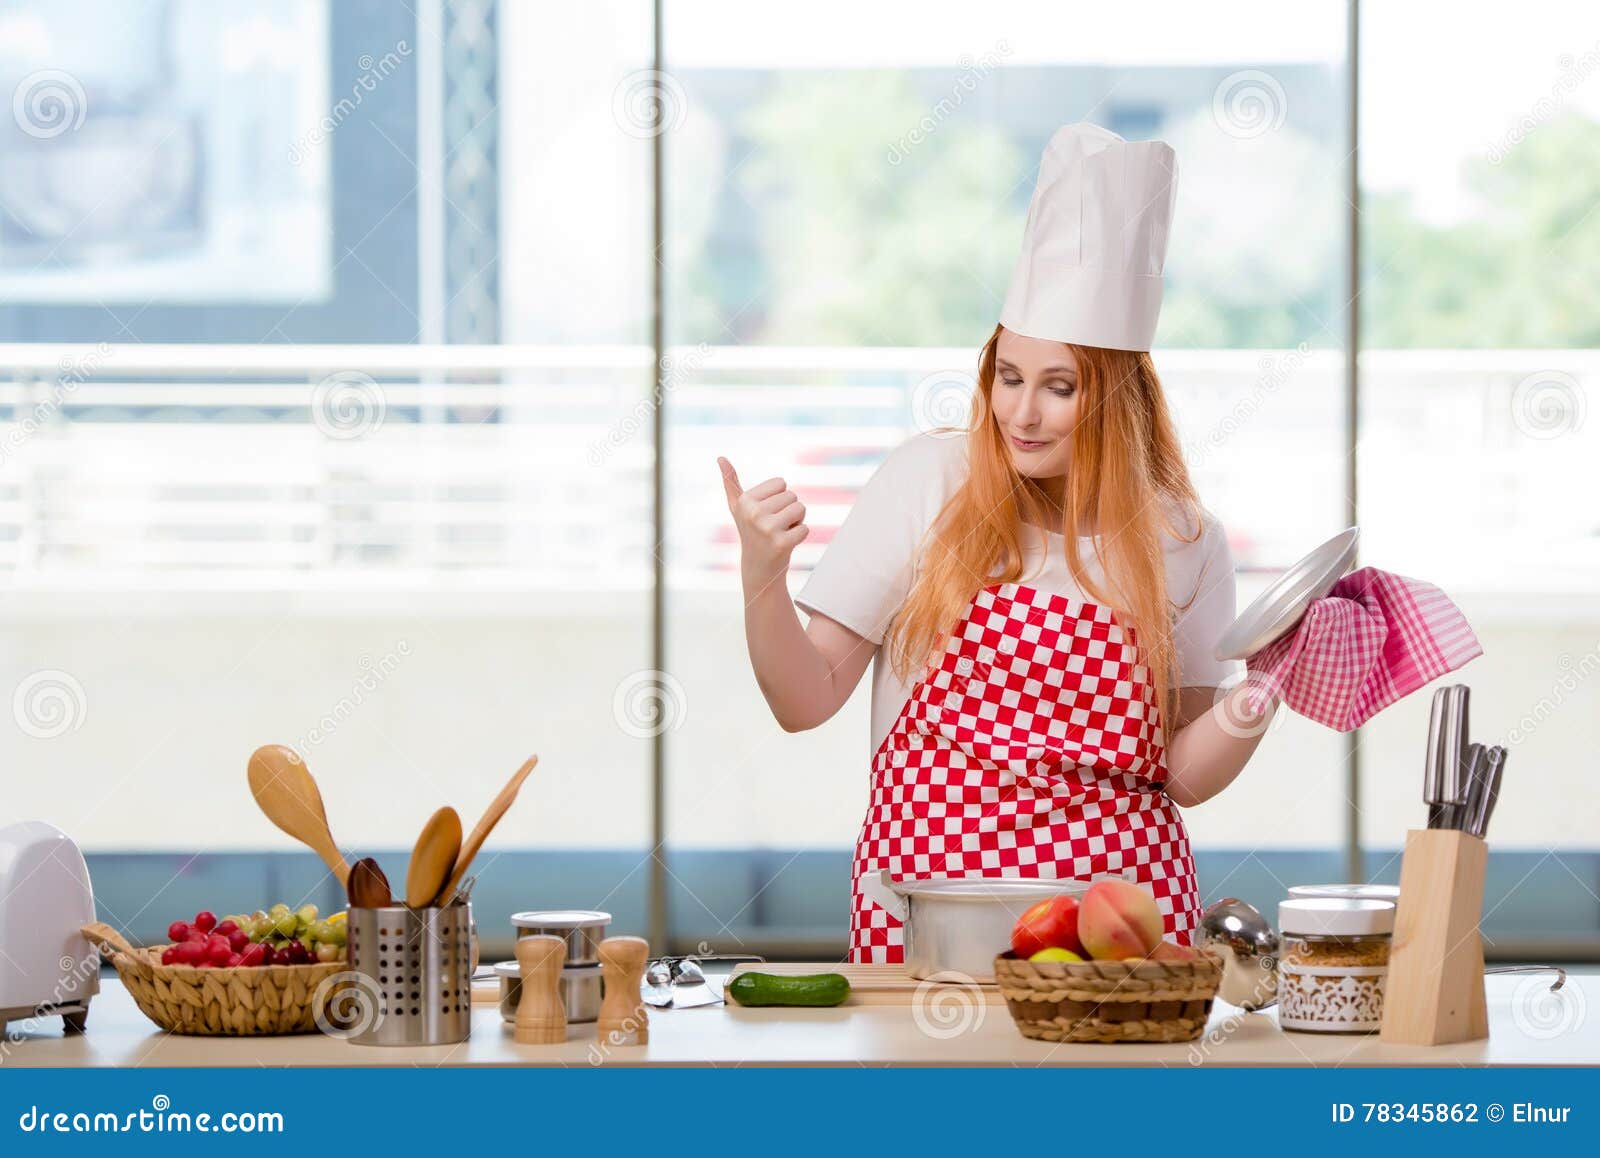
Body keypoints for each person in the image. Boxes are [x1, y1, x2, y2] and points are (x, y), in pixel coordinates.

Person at [717, 123, 1278, 962]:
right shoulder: (926, 482)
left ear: (1119, 399)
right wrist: (763, 578)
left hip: (1118, 925)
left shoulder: (1183, 537)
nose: (1021, 413)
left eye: (1060, 387)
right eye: (1008, 379)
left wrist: (1260, 691)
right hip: (935, 905)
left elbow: (1183, 777)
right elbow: (803, 702)